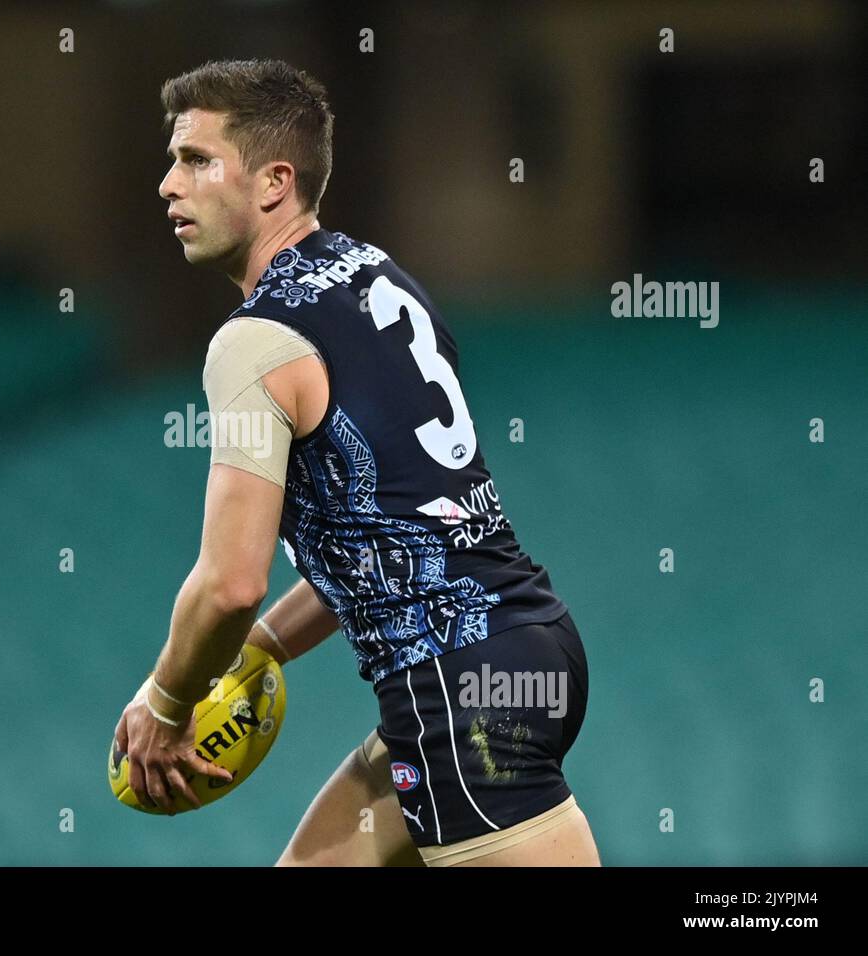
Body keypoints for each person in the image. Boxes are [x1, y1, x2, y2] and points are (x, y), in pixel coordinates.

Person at [113, 58, 600, 867]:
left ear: (274, 181)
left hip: (456, 689)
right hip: (527, 648)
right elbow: (393, 532)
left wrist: (166, 700)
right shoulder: (376, 276)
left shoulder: (254, 343)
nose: (169, 184)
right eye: (173, 160)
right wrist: (267, 646)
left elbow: (230, 583)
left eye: (196, 160)